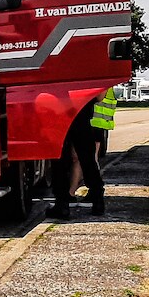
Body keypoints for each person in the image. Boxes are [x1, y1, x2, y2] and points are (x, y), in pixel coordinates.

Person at [51, 88, 115, 219]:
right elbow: (99, 97)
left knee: (60, 160)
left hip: (58, 111)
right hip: (82, 113)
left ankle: (62, 204)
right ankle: (98, 201)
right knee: (88, 160)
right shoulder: (88, 69)